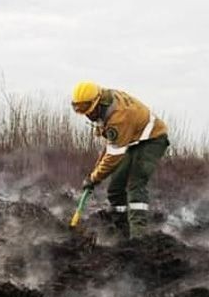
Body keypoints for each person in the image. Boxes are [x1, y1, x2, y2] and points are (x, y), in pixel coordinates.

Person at [72, 82, 170, 239]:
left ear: (97, 103)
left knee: (135, 182)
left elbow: (113, 157)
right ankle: (122, 232)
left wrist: (94, 178)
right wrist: (93, 174)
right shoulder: (104, 105)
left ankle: (138, 237)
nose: (88, 116)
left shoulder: (118, 117)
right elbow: (109, 147)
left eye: (89, 112)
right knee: (116, 187)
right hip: (132, 140)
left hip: (152, 139)